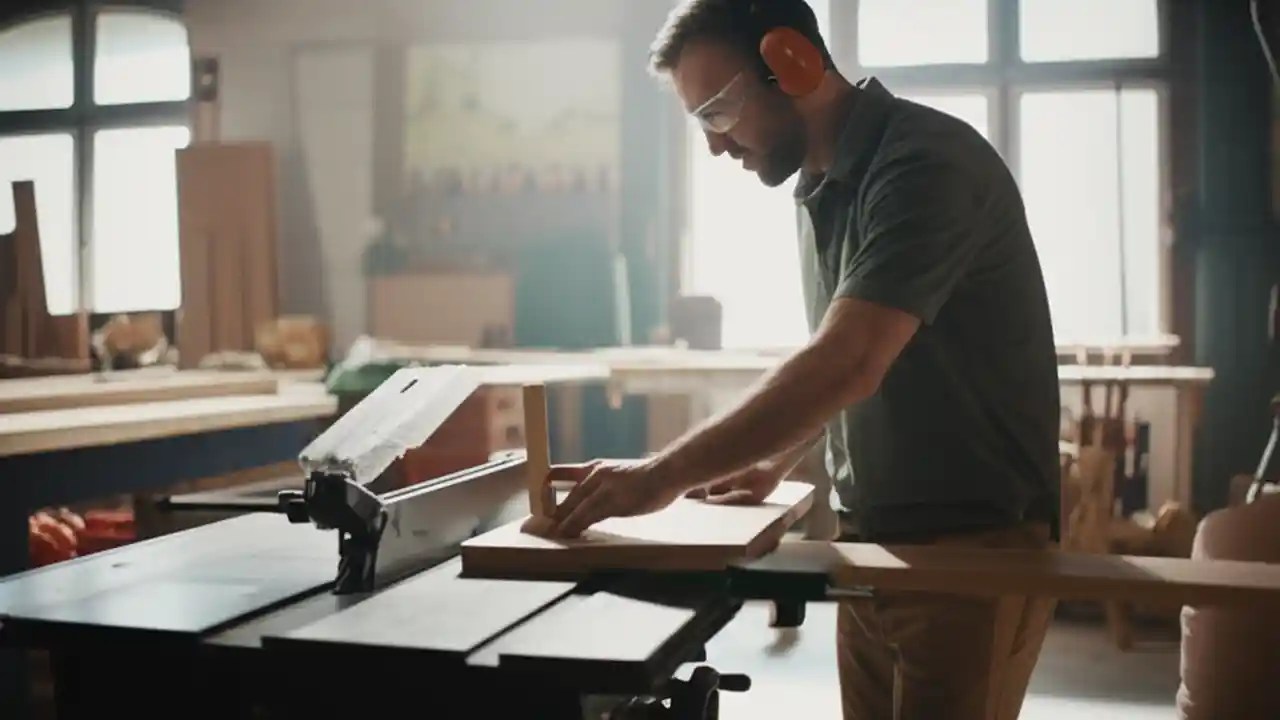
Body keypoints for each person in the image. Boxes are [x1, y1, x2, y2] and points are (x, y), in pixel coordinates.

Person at [544, 0, 1063, 717]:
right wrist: (772, 464)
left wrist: (662, 475)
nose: (717, 147)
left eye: (718, 113)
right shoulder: (819, 187)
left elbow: (849, 362)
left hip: (971, 545)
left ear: (792, 61)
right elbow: (863, 365)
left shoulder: (924, 165)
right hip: (871, 540)